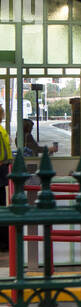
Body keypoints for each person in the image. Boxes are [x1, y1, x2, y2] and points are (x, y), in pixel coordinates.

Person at [0, 106, 10, 251]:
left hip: (2, 169)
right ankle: (3, 242)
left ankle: (4, 242)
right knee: (2, 206)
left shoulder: (1, 129)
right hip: (1, 169)